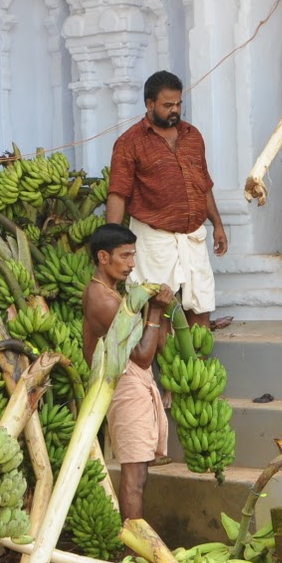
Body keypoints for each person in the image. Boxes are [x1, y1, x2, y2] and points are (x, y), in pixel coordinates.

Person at [106, 70, 231, 330]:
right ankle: (162, 367)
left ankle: (198, 366)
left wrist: (217, 224)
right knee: (157, 309)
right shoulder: (129, 143)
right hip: (153, 240)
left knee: (200, 305)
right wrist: (113, 242)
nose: (175, 110)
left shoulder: (192, 136)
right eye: (167, 105)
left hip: (193, 238)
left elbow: (204, 185)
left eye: (178, 104)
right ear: (149, 104)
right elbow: (118, 194)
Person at [82, 223, 175, 520]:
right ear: (103, 257)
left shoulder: (113, 293)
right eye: (124, 256)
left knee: (141, 474)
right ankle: (132, 555)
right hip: (124, 386)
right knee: (134, 479)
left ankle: (135, 548)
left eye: (133, 255)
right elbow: (143, 356)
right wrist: (157, 312)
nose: (131, 264)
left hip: (131, 384)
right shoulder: (104, 301)